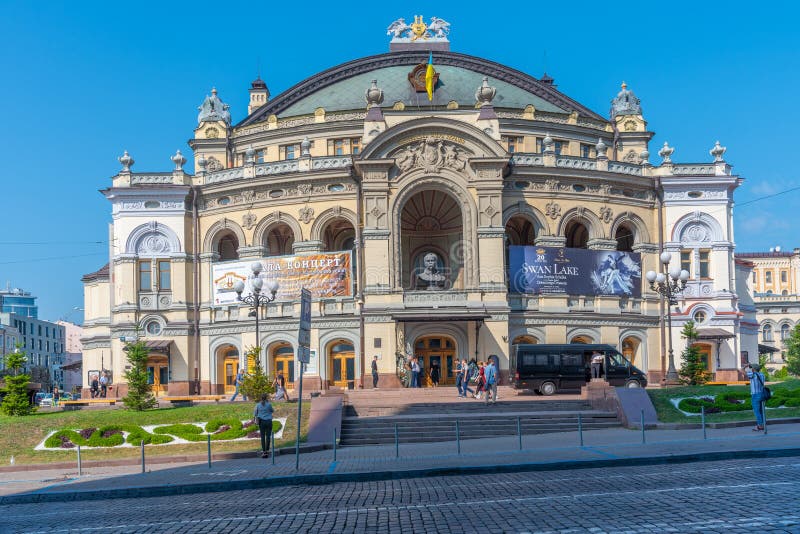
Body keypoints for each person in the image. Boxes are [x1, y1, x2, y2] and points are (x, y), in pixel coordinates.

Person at [745, 363, 766, 431]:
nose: (751, 369)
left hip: (755, 395)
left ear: (753, 369)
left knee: (757, 411)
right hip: (762, 394)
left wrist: (745, 366)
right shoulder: (762, 374)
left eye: (752, 368)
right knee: (761, 411)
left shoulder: (752, 375)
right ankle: (763, 424)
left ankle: (760, 425)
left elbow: (740, 371)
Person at [253, 393, 274, 458]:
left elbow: (255, 413)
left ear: (261, 398)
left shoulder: (258, 405)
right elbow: (272, 411)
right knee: (268, 437)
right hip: (268, 422)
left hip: (261, 422)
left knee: (262, 437)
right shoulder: (269, 404)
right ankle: (267, 451)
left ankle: (264, 451)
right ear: (266, 398)